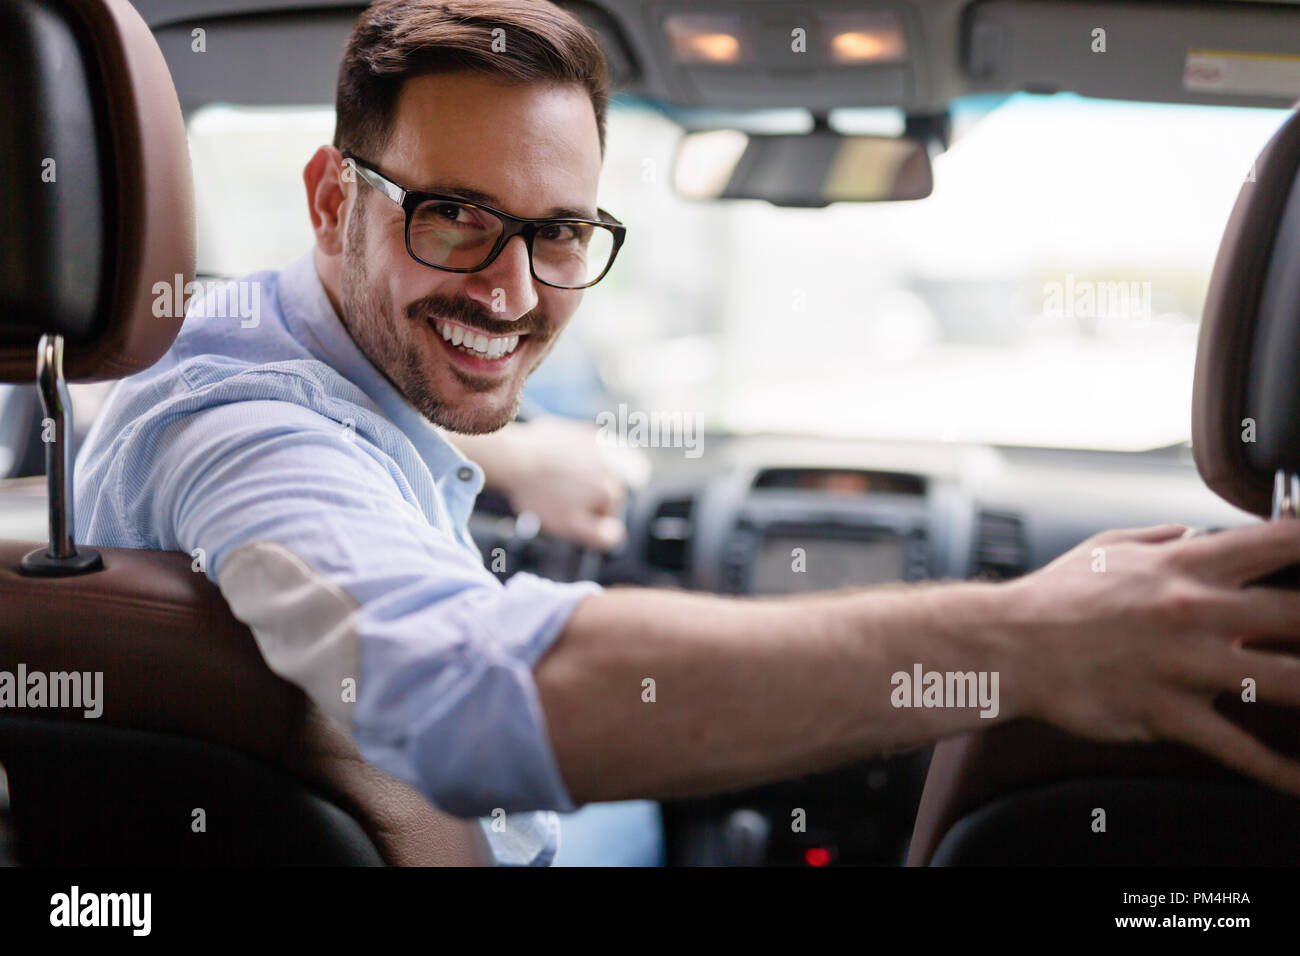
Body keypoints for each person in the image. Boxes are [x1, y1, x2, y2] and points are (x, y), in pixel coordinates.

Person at [75, 0, 1300, 866]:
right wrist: (1034, 638)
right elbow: (459, 694)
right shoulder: (235, 425)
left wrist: (504, 446)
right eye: (452, 218)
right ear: (333, 196)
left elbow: (313, 373)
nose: (509, 294)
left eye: (557, 233)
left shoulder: (230, 341)